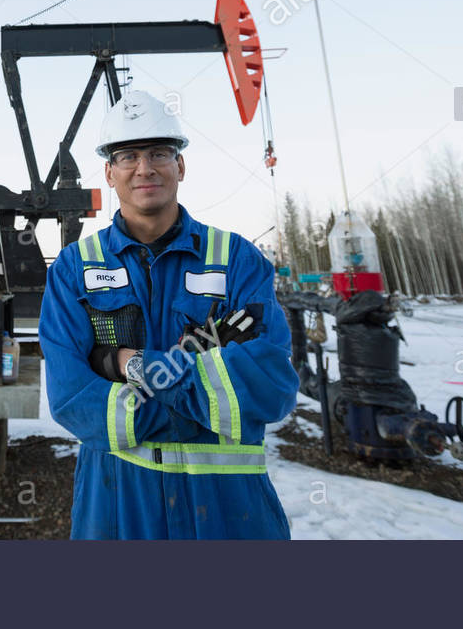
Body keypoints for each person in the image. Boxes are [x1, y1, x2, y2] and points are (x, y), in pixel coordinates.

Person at [38, 90, 299, 539]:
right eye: (128, 156)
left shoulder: (236, 259)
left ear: (180, 166)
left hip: (231, 515)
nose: (145, 167)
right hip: (118, 513)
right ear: (109, 172)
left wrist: (129, 364)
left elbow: (272, 388)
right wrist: (204, 380)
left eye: (160, 152)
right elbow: (71, 400)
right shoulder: (74, 270)